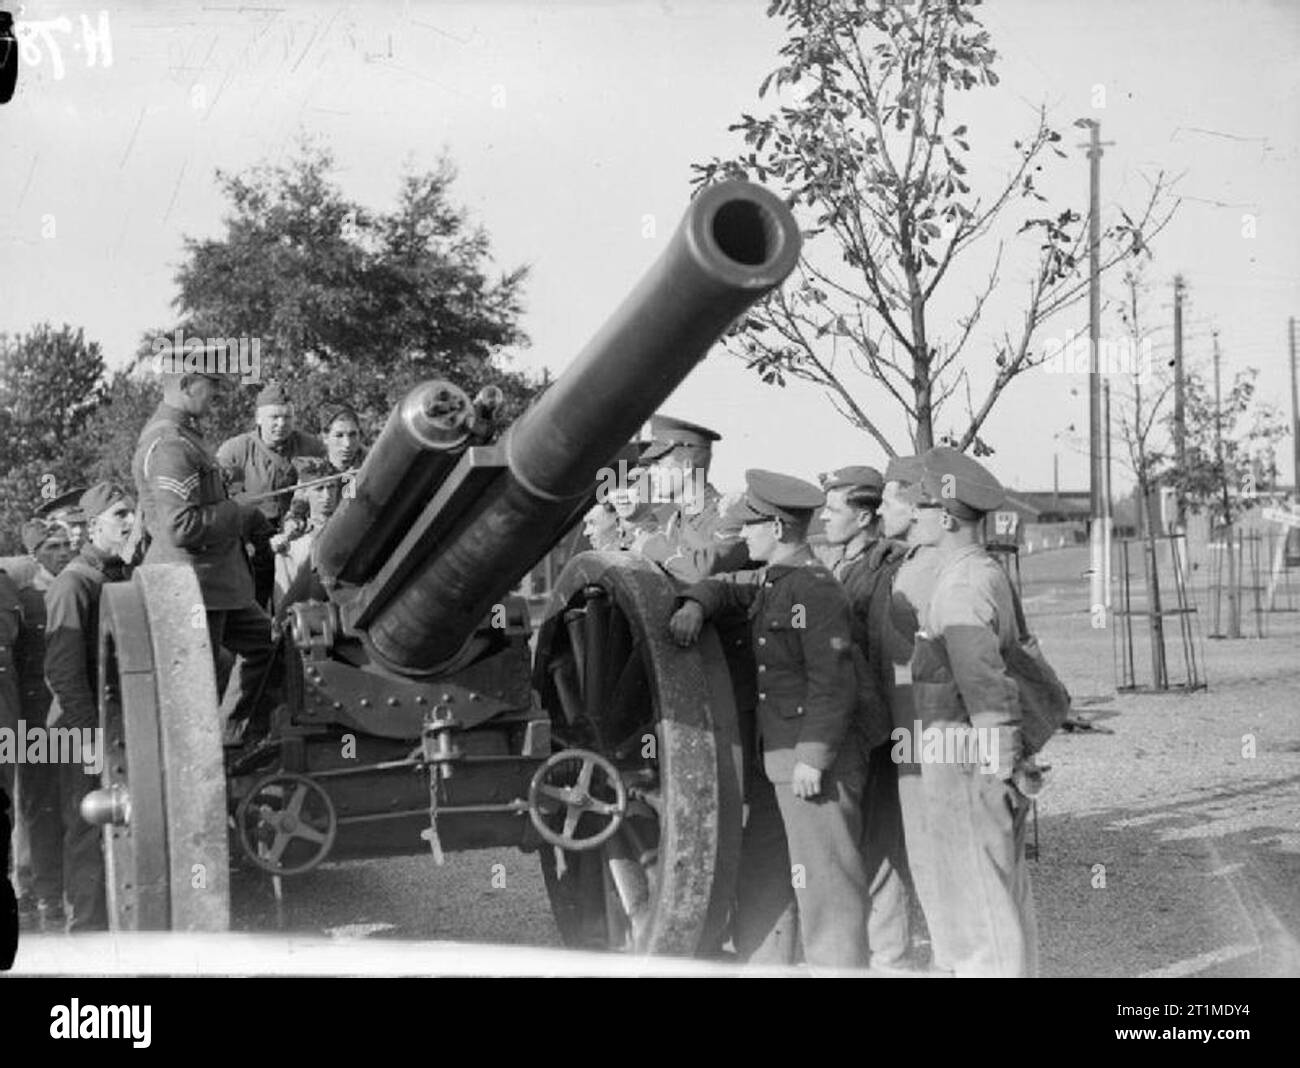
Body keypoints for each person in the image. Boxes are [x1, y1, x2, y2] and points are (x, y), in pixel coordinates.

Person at [670, 470, 868, 969]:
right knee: (767, 870)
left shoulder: (815, 590)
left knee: (827, 885)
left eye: (750, 526)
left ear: (777, 530)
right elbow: (726, 587)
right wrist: (696, 601)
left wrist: (813, 759)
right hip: (775, 762)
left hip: (809, 765)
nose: (742, 535)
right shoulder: (774, 581)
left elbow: (833, 681)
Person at [905, 445, 1038, 977]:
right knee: (999, 897)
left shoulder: (959, 585)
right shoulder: (983, 571)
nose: (912, 518)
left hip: (962, 759)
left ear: (943, 516)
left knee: (976, 908)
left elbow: (983, 685)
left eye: (919, 509)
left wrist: (998, 762)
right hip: (974, 757)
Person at [133, 370, 275, 747]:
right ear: (184, 385)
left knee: (270, 643)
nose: (216, 394)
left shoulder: (186, 436)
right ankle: (205, 764)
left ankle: (230, 739)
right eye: (210, 386)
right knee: (197, 691)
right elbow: (180, 526)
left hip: (216, 587)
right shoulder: (169, 444)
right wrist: (237, 511)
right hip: (192, 589)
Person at [819, 465, 913, 969]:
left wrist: (887, 731)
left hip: (876, 728)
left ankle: (891, 958)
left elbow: (885, 652)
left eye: (833, 511)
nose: (824, 518)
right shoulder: (837, 561)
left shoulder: (888, 565)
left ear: (863, 516)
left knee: (880, 845)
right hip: (847, 727)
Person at [41, 483, 139, 932]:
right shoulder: (74, 583)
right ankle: (85, 933)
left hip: (110, 728)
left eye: (131, 513)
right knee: (86, 827)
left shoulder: (118, 575)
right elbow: (61, 673)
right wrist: (90, 737)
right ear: (92, 526)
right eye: (119, 514)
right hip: (80, 730)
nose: (129, 521)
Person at [1, 519, 73, 930]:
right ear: (35, 556)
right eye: (51, 547)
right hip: (33, 723)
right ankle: (45, 896)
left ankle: (70, 891)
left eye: (65, 545)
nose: (61, 552)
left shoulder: (81, 588)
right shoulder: (26, 600)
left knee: (77, 803)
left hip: (72, 718)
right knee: (39, 808)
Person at [216, 381, 326, 608]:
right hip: (252, 537)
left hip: (297, 533)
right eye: (274, 417)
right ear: (258, 418)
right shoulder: (235, 450)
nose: (281, 424)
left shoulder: (312, 447)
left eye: (287, 417)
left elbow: (333, 484)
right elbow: (218, 495)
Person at [271, 456, 342, 611]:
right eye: (319, 489)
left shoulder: (350, 532)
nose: (327, 496)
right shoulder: (293, 546)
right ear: (305, 493)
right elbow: (283, 600)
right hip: (310, 621)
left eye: (331, 487)